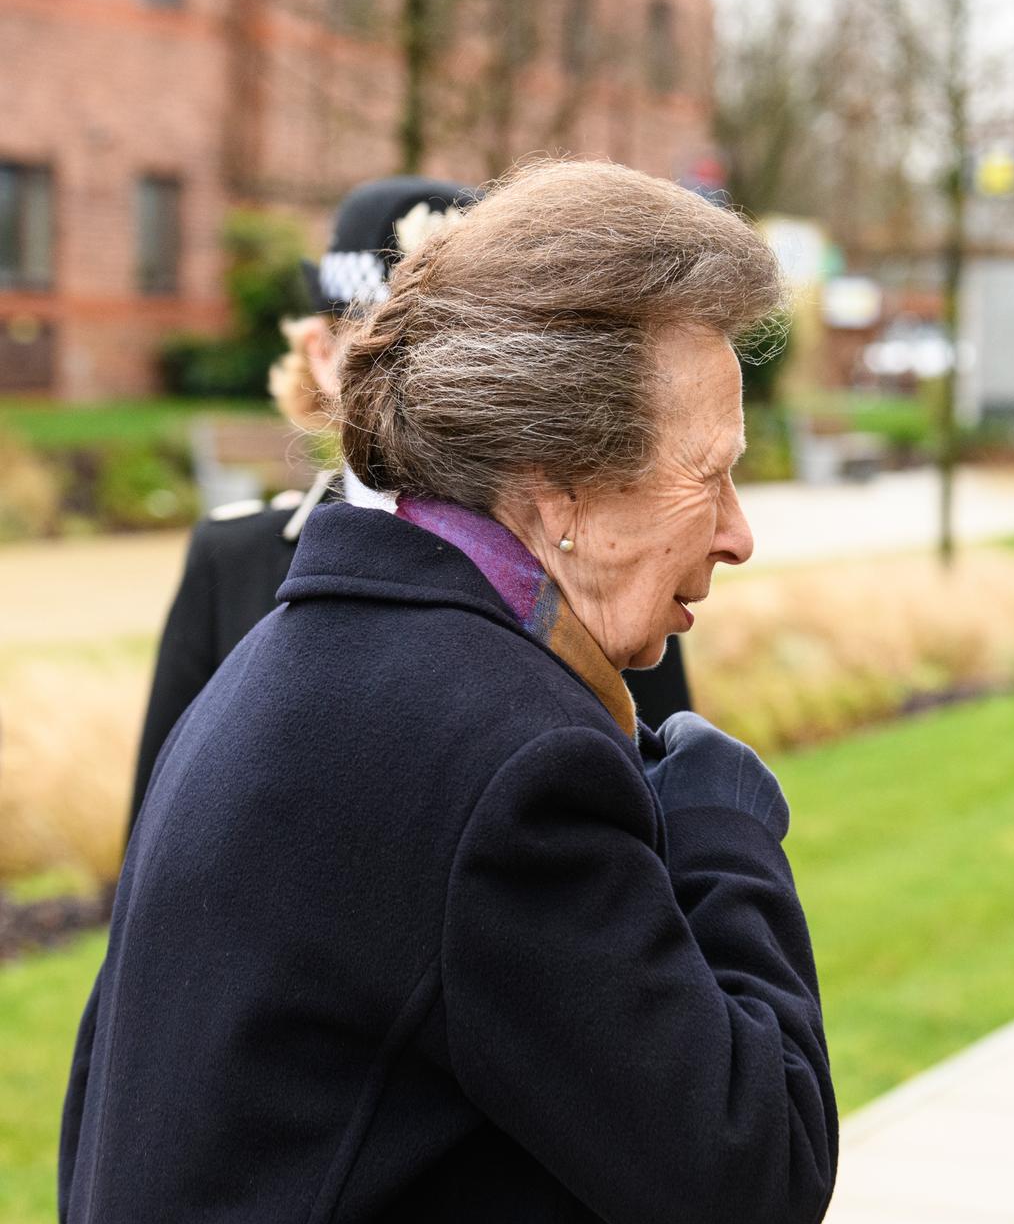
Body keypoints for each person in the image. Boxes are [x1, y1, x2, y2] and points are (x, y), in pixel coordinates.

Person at [58, 160, 836, 1224]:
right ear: (556, 487)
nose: (736, 533)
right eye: (706, 475)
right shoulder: (510, 763)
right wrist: (724, 836)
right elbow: (748, 1185)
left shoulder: (307, 656)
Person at [130, 176, 695, 829]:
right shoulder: (234, 561)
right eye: (382, 341)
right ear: (321, 355)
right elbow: (160, 833)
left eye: (454, 345)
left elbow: (666, 817)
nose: (420, 374)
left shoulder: (602, 555)